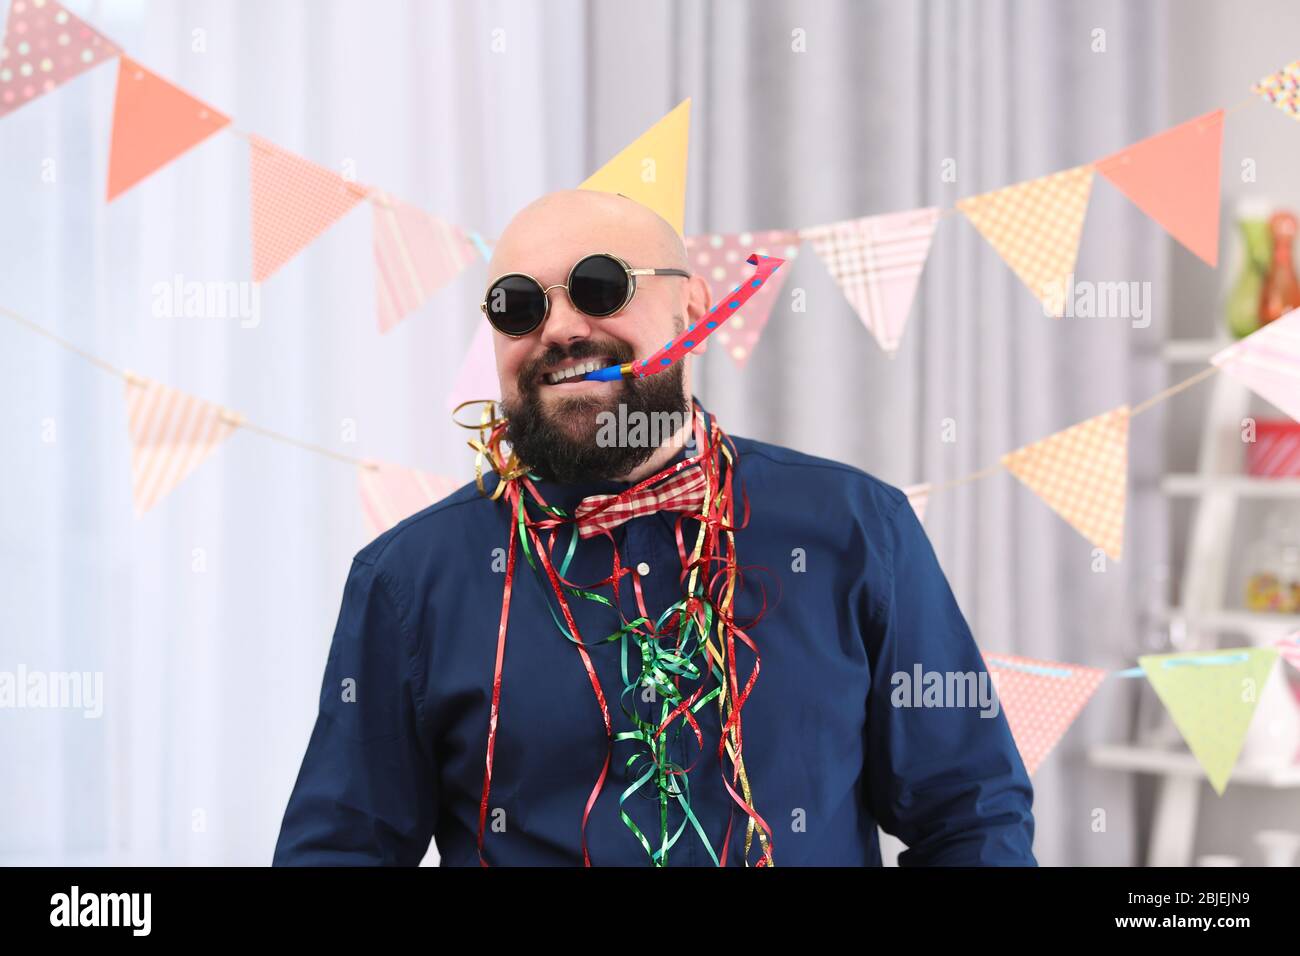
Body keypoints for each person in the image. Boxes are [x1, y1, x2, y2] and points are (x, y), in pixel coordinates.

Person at [273, 189, 1036, 866]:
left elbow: (971, 815)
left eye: (599, 288)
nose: (561, 328)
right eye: (518, 306)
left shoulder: (858, 529)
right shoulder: (408, 580)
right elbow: (340, 850)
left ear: (693, 310)